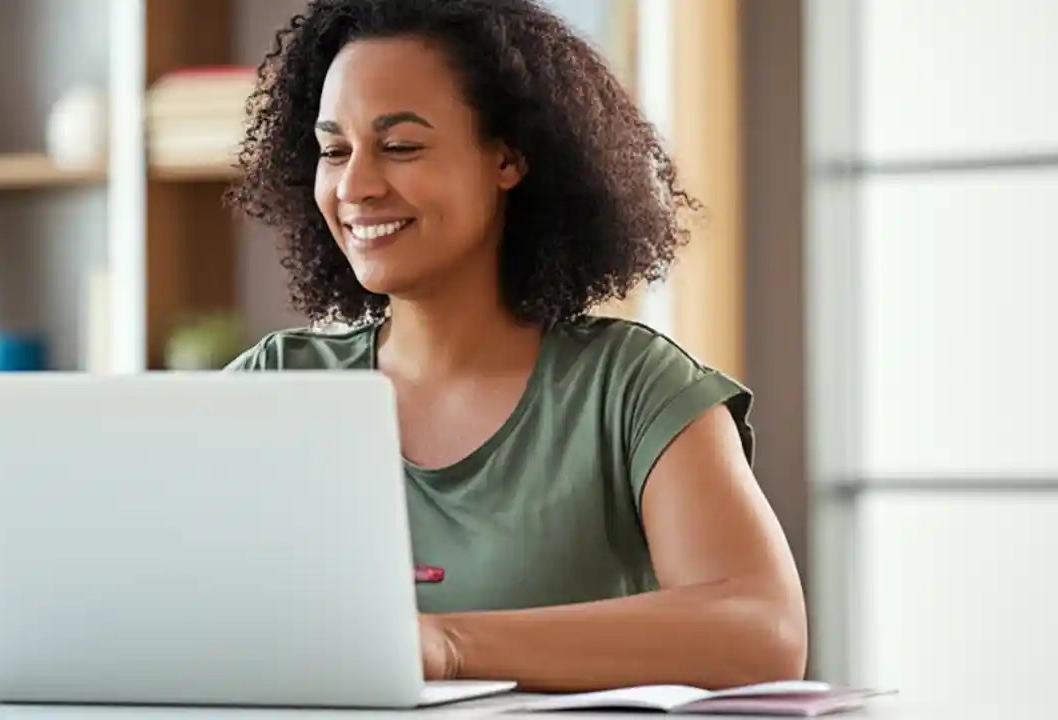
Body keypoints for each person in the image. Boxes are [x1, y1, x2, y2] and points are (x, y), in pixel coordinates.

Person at [223, 0, 806, 693]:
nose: (355, 186)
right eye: (334, 151)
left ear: (508, 156)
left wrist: (449, 643)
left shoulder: (634, 390)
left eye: (401, 146)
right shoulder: (272, 386)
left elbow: (761, 632)